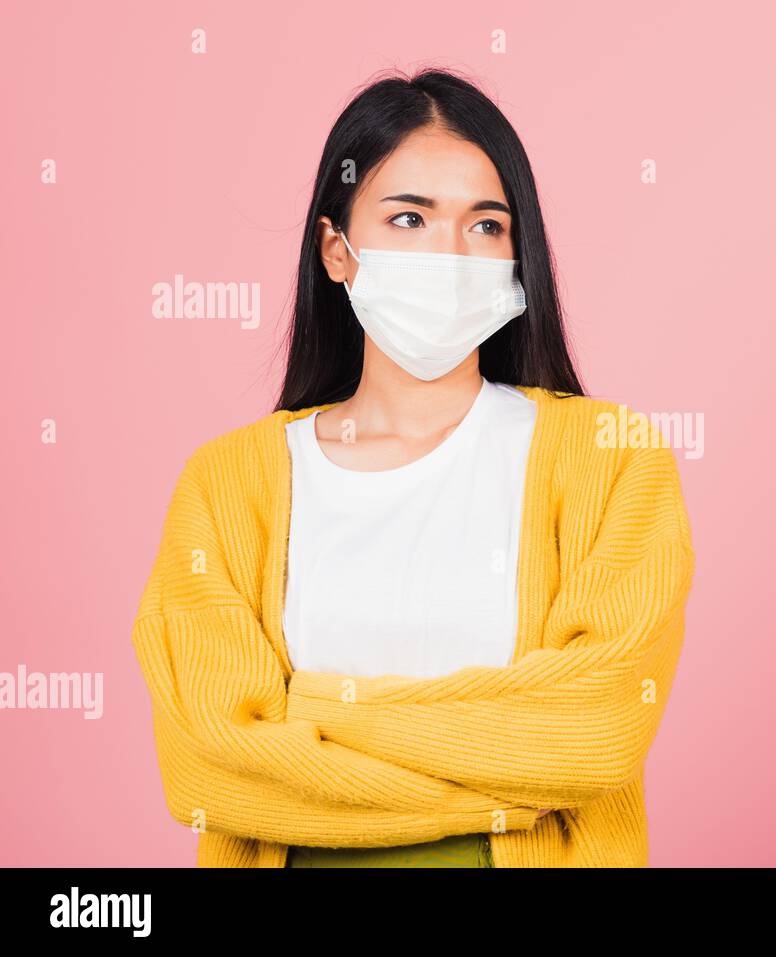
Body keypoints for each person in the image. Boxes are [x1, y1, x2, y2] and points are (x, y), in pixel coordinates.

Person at [130, 67, 695, 868]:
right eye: (409, 218)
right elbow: (209, 765)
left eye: (486, 226)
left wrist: (309, 714)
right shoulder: (226, 486)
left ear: (516, 250)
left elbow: (593, 736)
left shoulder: (613, 462)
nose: (451, 253)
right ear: (338, 250)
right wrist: (496, 753)